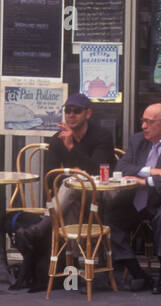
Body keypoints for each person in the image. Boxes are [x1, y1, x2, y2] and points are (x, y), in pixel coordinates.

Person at [11, 92, 115, 291]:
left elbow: (99, 170)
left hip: (98, 197)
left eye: (76, 111)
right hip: (69, 201)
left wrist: (71, 148)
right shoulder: (57, 139)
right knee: (70, 191)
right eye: (67, 111)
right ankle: (75, 269)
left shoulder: (101, 136)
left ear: (88, 113)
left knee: (70, 182)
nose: (71, 115)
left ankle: (41, 230)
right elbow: (50, 176)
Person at [107, 102, 161, 294]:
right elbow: (121, 168)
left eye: (148, 122)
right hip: (136, 201)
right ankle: (138, 273)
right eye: (142, 121)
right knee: (109, 219)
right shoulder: (138, 140)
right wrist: (153, 170)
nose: (143, 126)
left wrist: (145, 181)